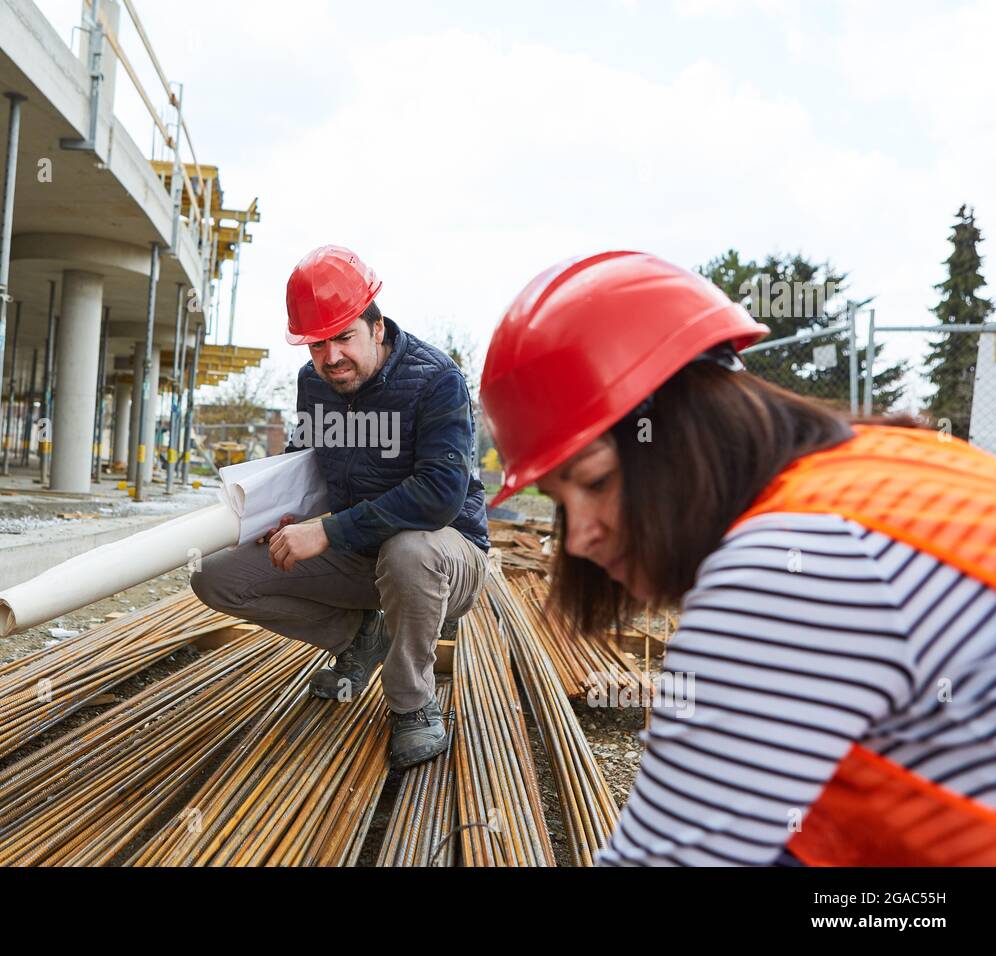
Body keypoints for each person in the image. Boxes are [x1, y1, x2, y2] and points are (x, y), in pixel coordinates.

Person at [480, 250, 996, 866]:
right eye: (557, 501)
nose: (576, 539)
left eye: (593, 482)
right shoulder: (891, 462)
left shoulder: (790, 566)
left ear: (689, 430)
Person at [191, 245, 490, 769]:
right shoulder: (316, 384)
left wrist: (327, 531)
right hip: (359, 551)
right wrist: (280, 513)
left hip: (444, 556)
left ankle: (412, 704)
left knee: (408, 552)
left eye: (344, 337)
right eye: (316, 345)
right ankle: (362, 636)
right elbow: (304, 459)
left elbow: (440, 494)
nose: (331, 357)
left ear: (377, 327)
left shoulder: (437, 380)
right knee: (214, 577)